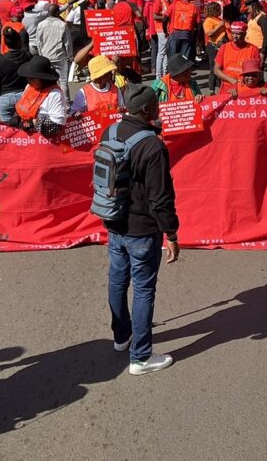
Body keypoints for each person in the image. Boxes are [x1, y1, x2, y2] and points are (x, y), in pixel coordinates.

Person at [103, 84, 179, 376]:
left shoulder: (109, 132)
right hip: (142, 229)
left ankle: (122, 336)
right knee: (144, 289)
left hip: (113, 221)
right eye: (156, 105)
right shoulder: (152, 146)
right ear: (148, 111)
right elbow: (160, 199)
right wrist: (171, 234)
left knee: (118, 280)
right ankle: (141, 357)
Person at [13, 55, 69, 138]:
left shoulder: (55, 94)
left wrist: (32, 123)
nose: (28, 80)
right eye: (28, 78)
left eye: (32, 78)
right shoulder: (29, 87)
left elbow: (57, 124)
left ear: (43, 78)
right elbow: (23, 105)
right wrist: (16, 117)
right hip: (25, 138)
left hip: (42, 140)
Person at [0, 27, 31, 124]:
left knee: (8, 132)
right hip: (26, 96)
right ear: (19, 42)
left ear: (5, 43)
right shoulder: (27, 57)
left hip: (5, 98)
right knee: (28, 127)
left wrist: (2, 88)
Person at [30, 3, 74, 96]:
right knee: (63, 81)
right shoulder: (62, 25)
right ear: (58, 12)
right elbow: (67, 43)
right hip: (59, 57)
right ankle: (67, 104)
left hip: (46, 57)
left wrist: (41, 54)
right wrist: (70, 56)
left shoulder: (41, 25)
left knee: (48, 82)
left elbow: (39, 41)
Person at [212, 21, 261, 96]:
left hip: (246, 89)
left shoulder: (253, 49)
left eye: (238, 34)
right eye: (233, 33)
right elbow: (216, 70)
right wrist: (232, 80)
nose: (235, 36)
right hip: (227, 89)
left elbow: (256, 72)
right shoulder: (224, 48)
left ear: (244, 34)